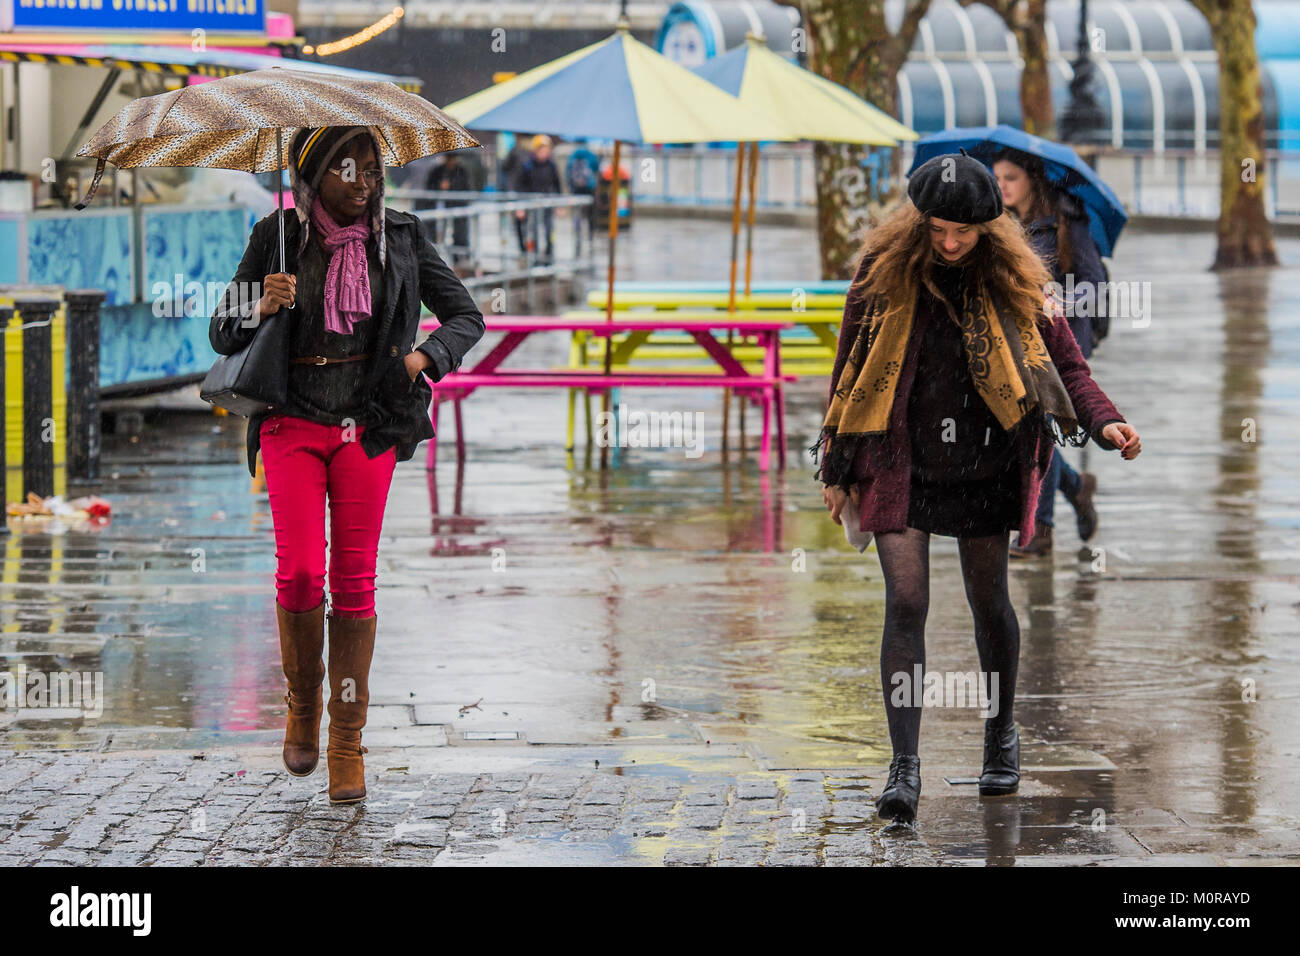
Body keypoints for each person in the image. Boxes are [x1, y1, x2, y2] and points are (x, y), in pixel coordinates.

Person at [813, 153, 1141, 824]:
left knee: (989, 599)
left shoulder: (1018, 282)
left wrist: (1107, 422)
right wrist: (834, 463)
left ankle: (1001, 733)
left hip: (986, 459)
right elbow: (847, 369)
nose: (951, 242)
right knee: (905, 600)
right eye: (938, 229)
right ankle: (904, 767)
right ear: (917, 223)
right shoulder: (880, 279)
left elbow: (1066, 368)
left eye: (965, 231)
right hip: (900, 456)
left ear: (990, 228)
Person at [208, 125, 485, 805]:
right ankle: (302, 707)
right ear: (311, 175)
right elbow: (221, 329)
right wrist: (258, 303)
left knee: (354, 581)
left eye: (370, 168)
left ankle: (346, 743)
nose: (361, 181)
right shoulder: (278, 235)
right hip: (293, 420)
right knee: (301, 569)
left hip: (369, 428)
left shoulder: (404, 236)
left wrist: (423, 358)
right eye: (344, 168)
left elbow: (465, 317)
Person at [992, 149, 1110, 557]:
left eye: (1011, 177)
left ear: (1031, 180)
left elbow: (1094, 285)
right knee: (1030, 429)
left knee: (1040, 428)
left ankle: (1039, 530)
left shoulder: (1066, 221)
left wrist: (1059, 299)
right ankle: (1076, 488)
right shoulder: (1003, 226)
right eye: (998, 178)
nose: (1002, 185)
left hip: (1062, 344)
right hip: (1018, 343)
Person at [508, 134, 563, 263]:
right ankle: (533, 258)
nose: (544, 153)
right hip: (530, 204)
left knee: (549, 231)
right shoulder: (527, 165)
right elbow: (518, 185)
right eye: (541, 150)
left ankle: (548, 257)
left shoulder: (551, 165)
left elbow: (557, 184)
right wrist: (519, 206)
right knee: (531, 232)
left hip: (546, 203)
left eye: (546, 150)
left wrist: (560, 205)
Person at [424, 152, 472, 267]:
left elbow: (465, 187)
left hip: (458, 207)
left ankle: (459, 259)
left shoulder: (461, 171)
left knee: (460, 233)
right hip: (439, 207)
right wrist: (440, 186)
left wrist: (451, 185)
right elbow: (429, 185)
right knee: (437, 234)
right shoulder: (437, 171)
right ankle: (437, 259)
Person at [566, 143, 600, 256]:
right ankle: (590, 234)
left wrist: (570, 188)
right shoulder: (591, 155)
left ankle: (577, 232)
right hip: (589, 189)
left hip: (576, 189)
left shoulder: (572, 156)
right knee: (590, 212)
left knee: (577, 212)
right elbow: (596, 168)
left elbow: (567, 173)